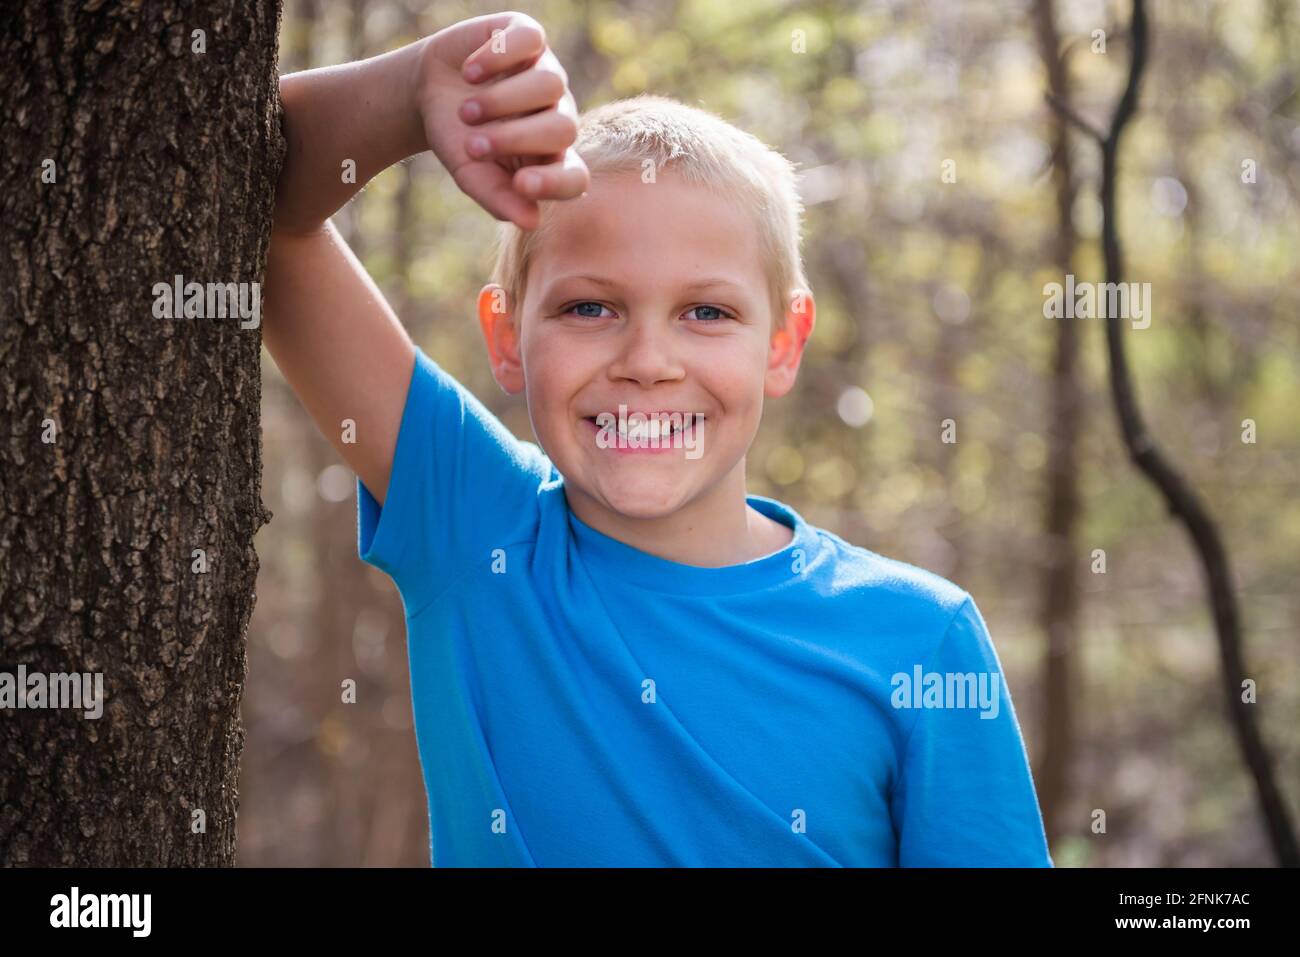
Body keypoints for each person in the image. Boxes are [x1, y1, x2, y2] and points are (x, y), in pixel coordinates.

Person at [264, 11, 1053, 867]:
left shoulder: (922, 639)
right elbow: (261, 209)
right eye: (588, 307)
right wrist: (414, 90)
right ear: (506, 337)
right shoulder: (480, 533)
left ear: (783, 343)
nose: (647, 361)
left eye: (706, 312)